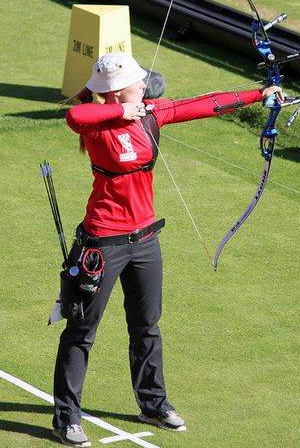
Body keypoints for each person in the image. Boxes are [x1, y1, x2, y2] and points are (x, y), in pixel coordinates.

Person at [52, 52, 283, 447]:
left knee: (147, 327)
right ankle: (66, 418)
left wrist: (259, 94)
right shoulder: (99, 124)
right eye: (137, 82)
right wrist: (121, 113)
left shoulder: (150, 114)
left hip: (144, 241)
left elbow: (202, 104)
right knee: (81, 331)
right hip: (102, 243)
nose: (145, 85)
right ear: (117, 90)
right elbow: (77, 117)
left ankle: (153, 404)